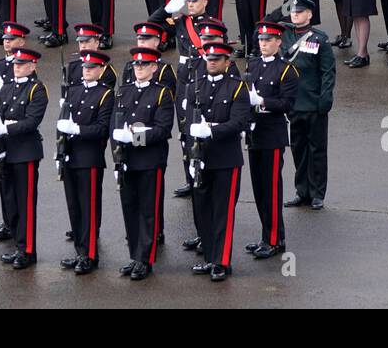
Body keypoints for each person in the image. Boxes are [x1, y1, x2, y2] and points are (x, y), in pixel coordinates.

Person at [188, 40, 250, 281]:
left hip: (226, 159)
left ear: (227, 62)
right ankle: (210, 258)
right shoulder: (197, 86)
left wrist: (212, 130)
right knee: (203, 211)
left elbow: (238, 123)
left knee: (222, 211)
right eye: (209, 59)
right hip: (201, 157)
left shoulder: (237, 88)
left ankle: (222, 262)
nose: (211, 62)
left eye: (216, 60)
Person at [113, 46, 174, 281]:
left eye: (144, 65)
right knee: (129, 208)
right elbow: (115, 127)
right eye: (136, 65)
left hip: (150, 159)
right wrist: (117, 152)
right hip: (127, 159)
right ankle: (134, 255)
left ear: (154, 67)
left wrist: (136, 137)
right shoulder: (124, 92)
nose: (139, 68)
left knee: (148, 210)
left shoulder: (162, 93)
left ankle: (145, 260)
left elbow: (162, 130)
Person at [0, 46, 48, 269]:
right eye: (15, 64)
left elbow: (32, 121)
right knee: (11, 202)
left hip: (26, 152)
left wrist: (7, 129)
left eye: (22, 64)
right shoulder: (7, 88)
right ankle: (18, 245)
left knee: (25, 203)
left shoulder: (37, 89)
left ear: (33, 66)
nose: (17, 67)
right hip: (7, 151)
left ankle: (28, 250)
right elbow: (0, 115)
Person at [57, 48, 115, 275]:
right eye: (85, 67)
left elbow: (102, 129)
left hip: (89, 158)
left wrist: (77, 129)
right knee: (75, 208)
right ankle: (80, 251)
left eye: (92, 68)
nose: (87, 70)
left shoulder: (105, 94)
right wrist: (59, 150)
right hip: (70, 156)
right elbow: (62, 124)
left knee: (88, 208)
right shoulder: (73, 91)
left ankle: (90, 254)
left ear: (100, 70)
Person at [244, 22, 297, 259]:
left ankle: (275, 240)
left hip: (272, 133)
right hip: (255, 132)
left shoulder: (286, 70)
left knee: (271, 188)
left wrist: (262, 101)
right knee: (258, 188)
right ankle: (267, 235)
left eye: (268, 40)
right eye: (261, 40)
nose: (263, 44)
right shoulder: (252, 65)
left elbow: (288, 104)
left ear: (278, 43)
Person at [281, 0, 335, 210]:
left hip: (313, 103)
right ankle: (302, 190)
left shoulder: (320, 39)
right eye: (293, 12)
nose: (295, 15)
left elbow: (328, 72)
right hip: (294, 103)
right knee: (298, 149)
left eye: (300, 12)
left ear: (309, 14)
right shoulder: (285, 36)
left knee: (317, 150)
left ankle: (317, 193)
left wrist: (325, 98)